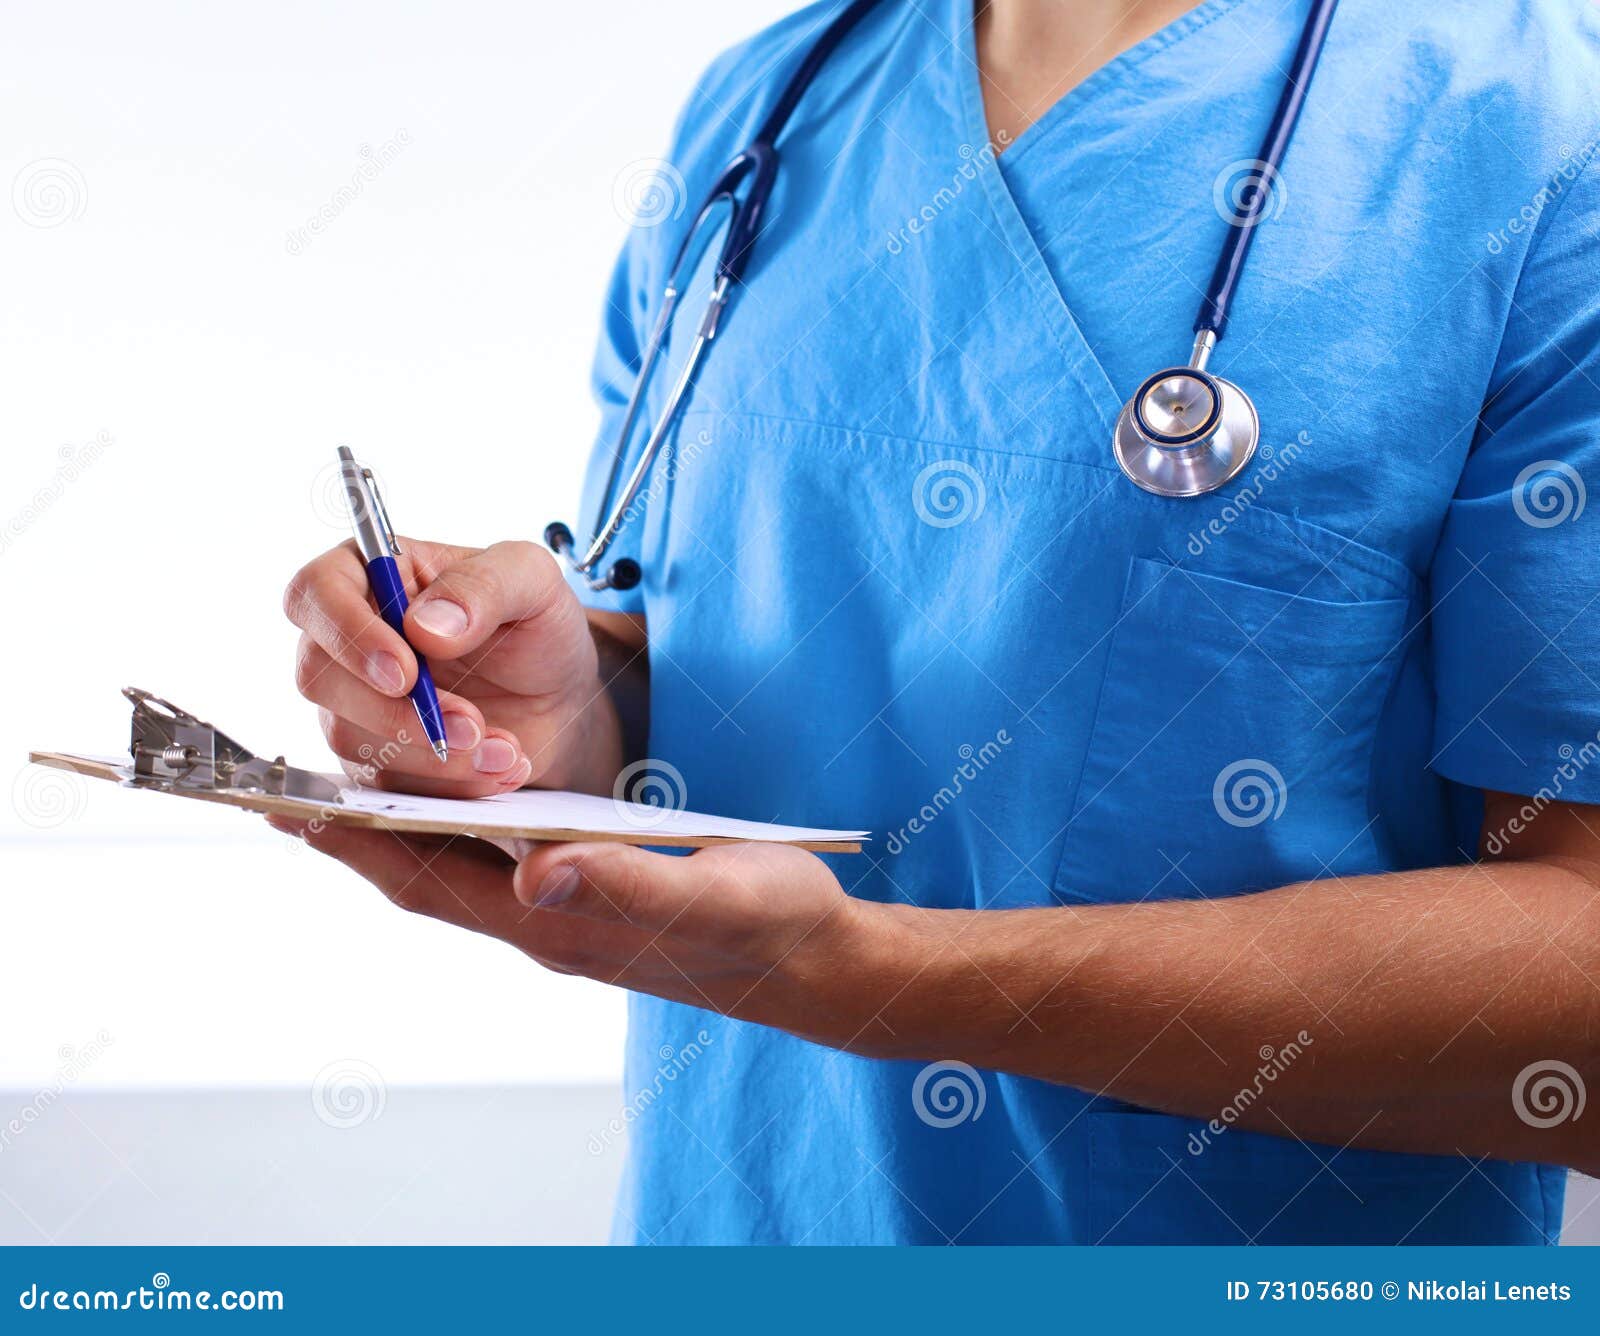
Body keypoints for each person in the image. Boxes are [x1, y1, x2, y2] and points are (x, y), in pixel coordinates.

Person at [274, 0, 1600, 1244]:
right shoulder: (777, 102)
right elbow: (764, 674)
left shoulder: (1537, 126)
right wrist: (574, 718)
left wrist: (887, 977)